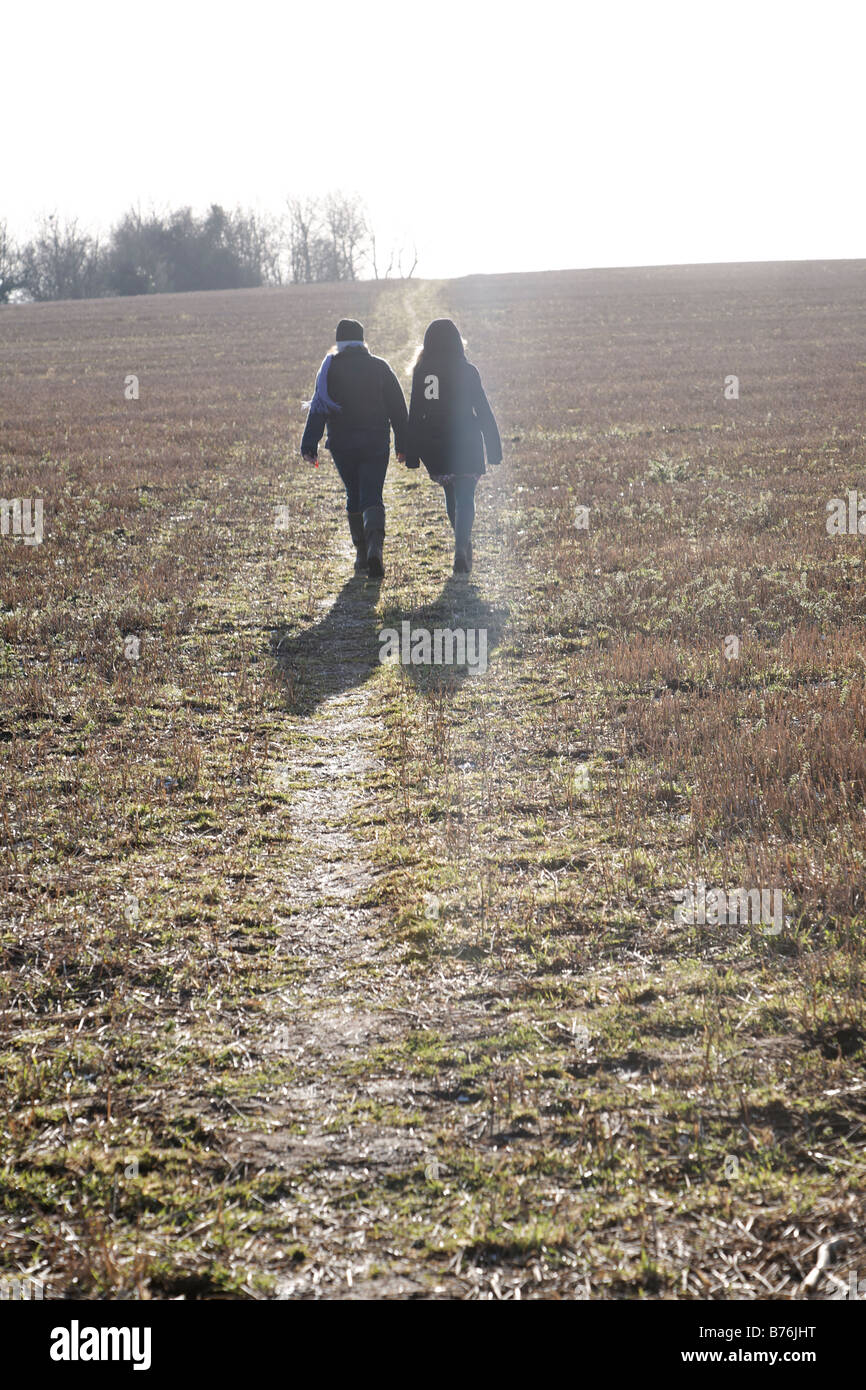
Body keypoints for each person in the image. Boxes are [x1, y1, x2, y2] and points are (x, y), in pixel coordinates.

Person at [300, 319, 408, 577]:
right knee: (372, 494)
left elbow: (318, 408)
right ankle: (375, 549)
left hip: (342, 444)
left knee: (353, 494)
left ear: (339, 342)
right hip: (375, 442)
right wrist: (403, 444)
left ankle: (360, 555)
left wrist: (309, 443)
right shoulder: (380, 367)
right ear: (362, 341)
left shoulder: (329, 369)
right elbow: (398, 409)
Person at [405, 318, 502, 573]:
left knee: (451, 494)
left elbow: (415, 413)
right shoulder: (467, 370)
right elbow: (482, 410)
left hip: (435, 444)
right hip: (466, 439)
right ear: (458, 343)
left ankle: (462, 545)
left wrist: (412, 452)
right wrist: (494, 448)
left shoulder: (423, 372)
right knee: (465, 495)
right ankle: (461, 547)